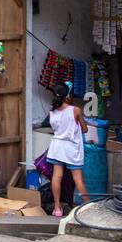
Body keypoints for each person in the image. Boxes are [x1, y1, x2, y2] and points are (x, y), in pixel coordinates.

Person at [47, 81, 89, 217]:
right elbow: (84, 129)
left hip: (57, 147)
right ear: (67, 95)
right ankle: (89, 207)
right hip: (71, 149)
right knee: (78, 179)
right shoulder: (75, 110)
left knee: (56, 176)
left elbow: (55, 129)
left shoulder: (51, 112)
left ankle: (57, 209)